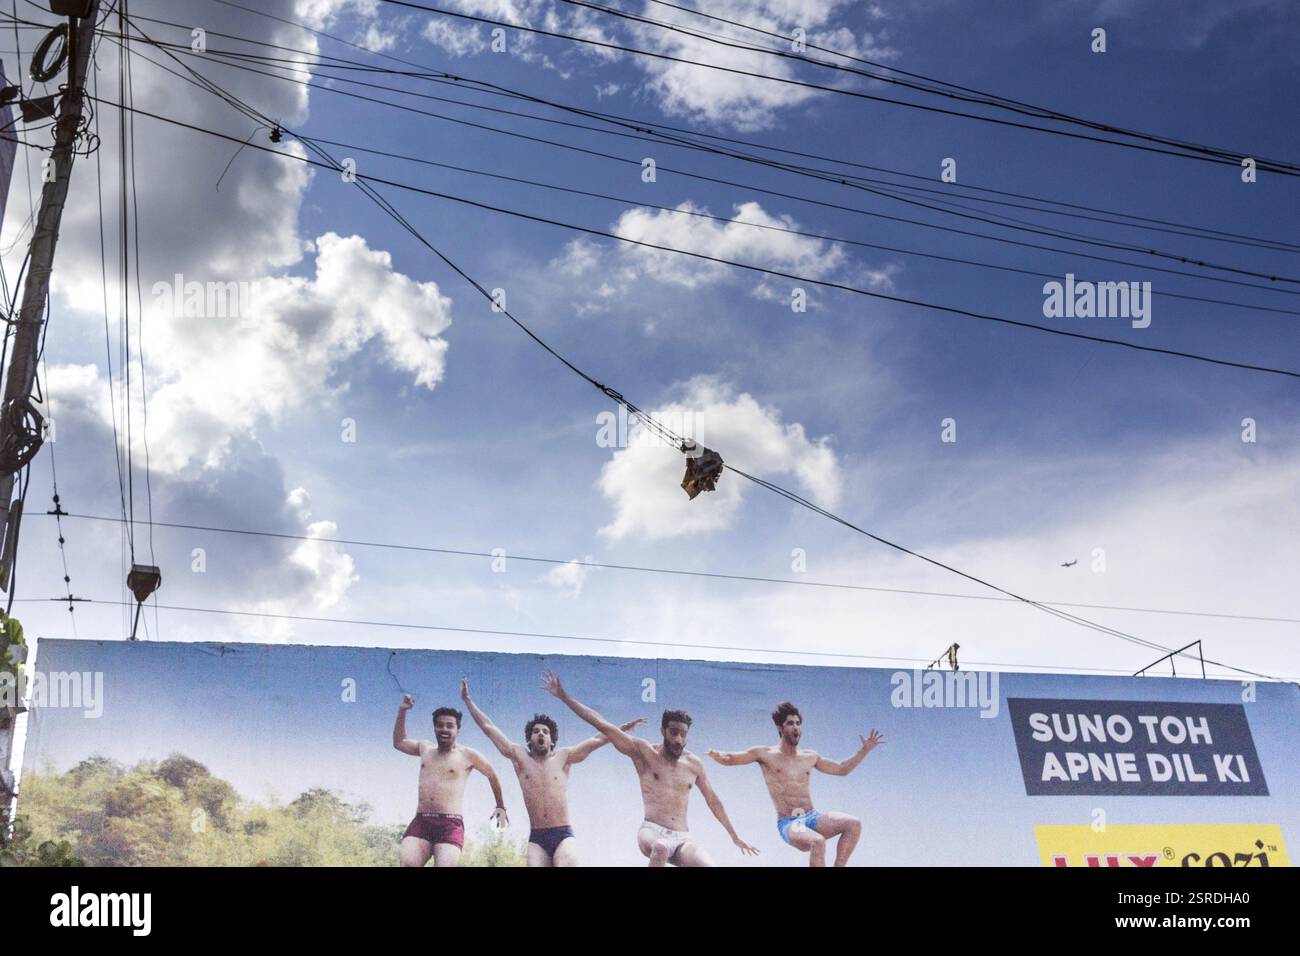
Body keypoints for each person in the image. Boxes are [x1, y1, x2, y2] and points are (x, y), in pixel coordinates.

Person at [543, 669, 757, 866]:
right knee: (661, 848)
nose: (679, 739)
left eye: (683, 734)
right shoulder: (644, 753)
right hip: (651, 831)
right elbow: (601, 724)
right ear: (663, 731)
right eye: (674, 733)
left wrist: (734, 836)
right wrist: (563, 696)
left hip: (683, 837)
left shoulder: (694, 764)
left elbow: (713, 801)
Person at [460, 676, 644, 866]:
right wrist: (468, 700)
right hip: (537, 838)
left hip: (563, 834)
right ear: (529, 739)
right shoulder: (519, 757)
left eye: (545, 732)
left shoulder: (563, 757)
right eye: (536, 731)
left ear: (552, 741)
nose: (540, 734)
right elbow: (488, 727)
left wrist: (622, 729)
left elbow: (597, 739)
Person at [707, 701, 883, 866]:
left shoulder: (810, 756)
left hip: (813, 817)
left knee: (853, 823)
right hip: (790, 823)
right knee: (818, 842)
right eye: (790, 723)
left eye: (798, 723)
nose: (796, 727)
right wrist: (719, 756)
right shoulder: (765, 754)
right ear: (780, 727)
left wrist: (864, 750)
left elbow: (842, 769)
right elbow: (732, 758)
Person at [392, 693, 508, 867]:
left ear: (457, 730)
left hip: (449, 824)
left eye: (449, 726)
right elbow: (399, 742)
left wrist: (500, 805)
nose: (444, 729)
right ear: (435, 729)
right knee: (407, 863)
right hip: (422, 821)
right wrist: (402, 710)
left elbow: (492, 775)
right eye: (440, 725)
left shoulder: (468, 755)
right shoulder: (425, 749)